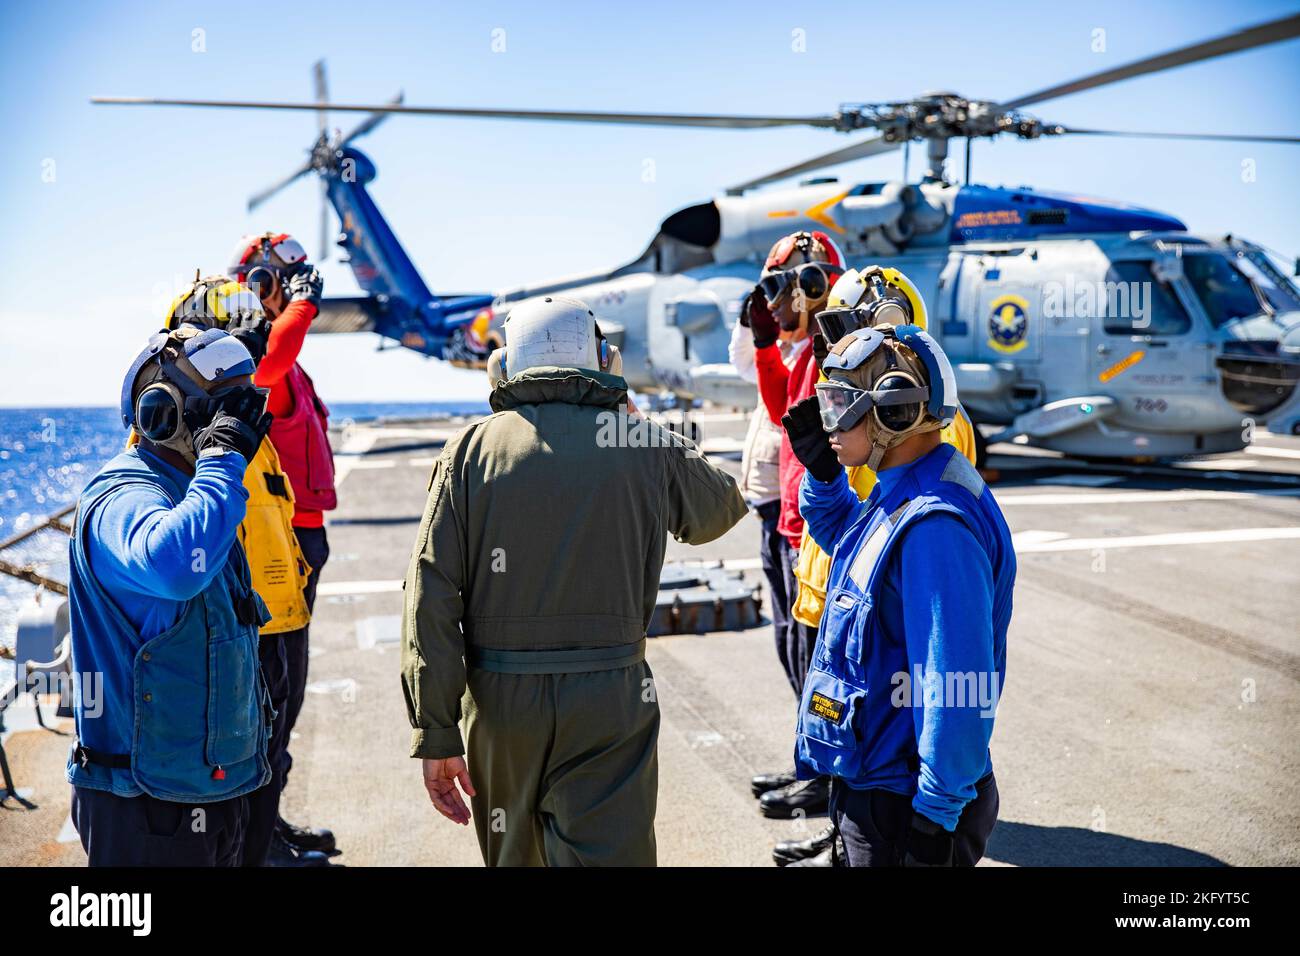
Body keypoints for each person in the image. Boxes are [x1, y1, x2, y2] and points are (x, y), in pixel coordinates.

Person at [401, 295, 746, 866]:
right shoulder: (636, 441)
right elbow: (721, 507)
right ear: (604, 361)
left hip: (499, 705)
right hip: (610, 697)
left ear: (506, 365)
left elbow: (430, 595)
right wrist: (627, 409)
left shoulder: (468, 451)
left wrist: (436, 732)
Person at [782, 323, 1015, 867]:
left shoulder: (937, 526)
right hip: (877, 781)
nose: (827, 420)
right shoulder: (908, 485)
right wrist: (822, 476)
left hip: (902, 803)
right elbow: (853, 546)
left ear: (894, 410)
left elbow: (957, 684)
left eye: (839, 403)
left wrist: (932, 821)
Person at [67, 326, 274, 866]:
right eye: (225, 411)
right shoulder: (123, 498)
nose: (241, 426)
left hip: (205, 790)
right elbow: (178, 568)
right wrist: (223, 462)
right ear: (163, 412)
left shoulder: (196, 491)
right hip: (146, 809)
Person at [157, 276, 330, 866]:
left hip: (278, 609)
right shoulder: (203, 419)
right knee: (241, 765)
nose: (250, 343)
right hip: (248, 620)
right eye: (237, 333)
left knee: (268, 752)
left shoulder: (242, 412)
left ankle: (265, 844)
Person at [228, 233, 338, 857]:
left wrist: (295, 308)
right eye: (277, 280)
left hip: (300, 544)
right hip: (275, 549)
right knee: (271, 695)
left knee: (284, 695)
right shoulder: (252, 356)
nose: (292, 292)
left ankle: (267, 824)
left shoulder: (289, 357)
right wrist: (301, 305)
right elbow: (266, 362)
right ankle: (256, 844)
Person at [744, 230, 845, 820]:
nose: (780, 303)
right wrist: (763, 344)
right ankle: (814, 763)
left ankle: (830, 779)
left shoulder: (830, 350)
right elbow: (785, 409)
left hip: (812, 527)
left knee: (816, 660)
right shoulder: (803, 354)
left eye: (792, 288)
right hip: (787, 518)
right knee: (793, 650)